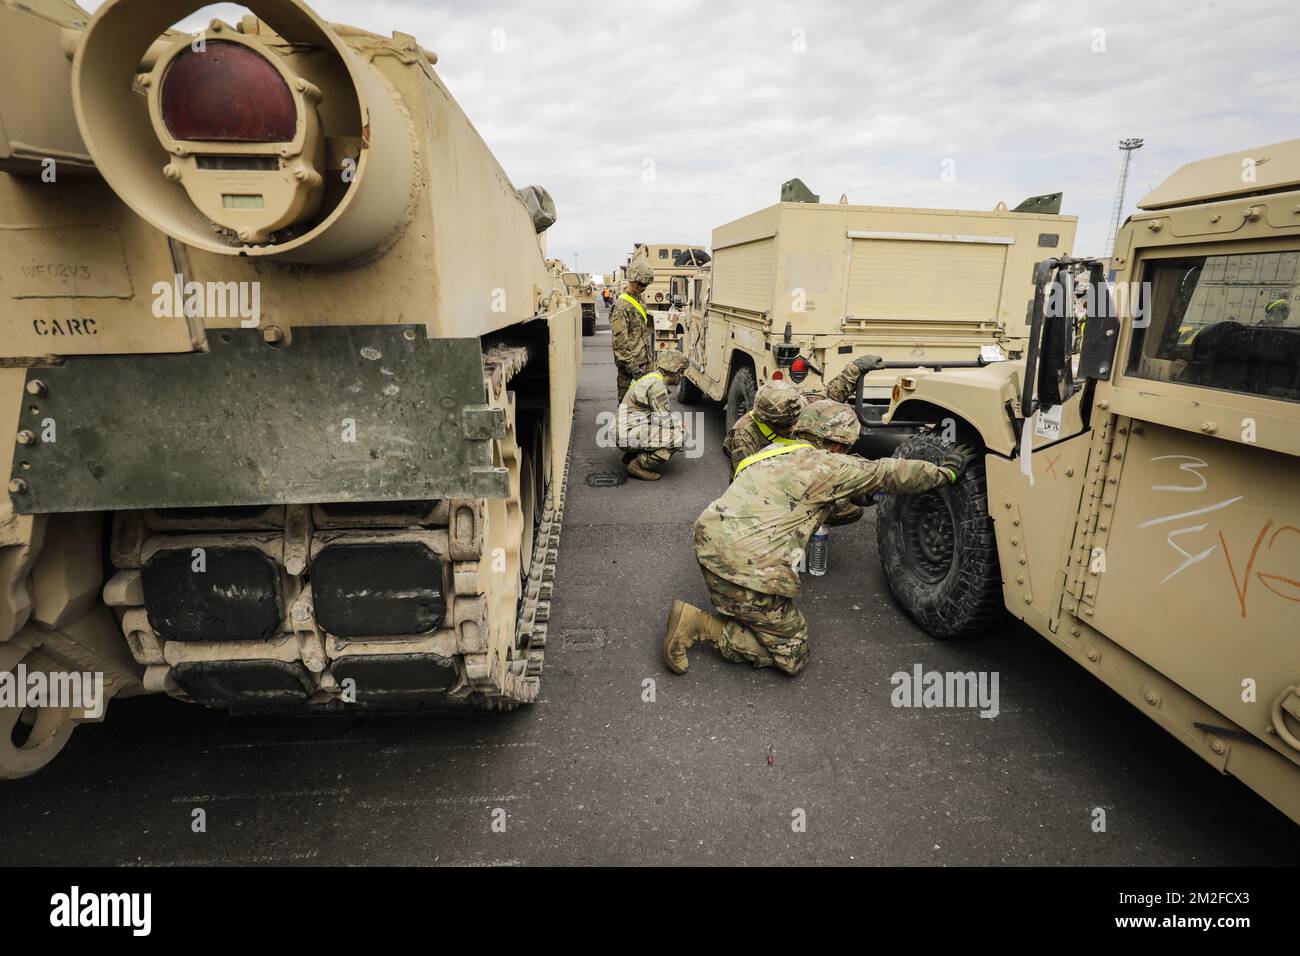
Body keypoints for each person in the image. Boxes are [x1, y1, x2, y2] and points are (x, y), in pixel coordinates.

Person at [663, 400, 974, 676]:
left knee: (760, 611)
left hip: (709, 544)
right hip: (743, 568)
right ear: (837, 445)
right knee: (793, 656)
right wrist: (943, 473)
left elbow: (800, 502)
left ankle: (745, 612)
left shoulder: (771, 452)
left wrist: (855, 498)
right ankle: (700, 625)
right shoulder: (829, 463)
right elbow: (888, 472)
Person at [618, 349, 688, 481]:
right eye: (681, 371)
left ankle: (631, 456)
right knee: (679, 436)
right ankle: (637, 465)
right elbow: (663, 420)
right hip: (627, 432)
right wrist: (679, 425)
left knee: (668, 425)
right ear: (673, 370)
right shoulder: (658, 386)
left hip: (627, 428)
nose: (682, 375)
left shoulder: (653, 377)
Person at [722, 379, 804, 471]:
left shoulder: (793, 407)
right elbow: (745, 479)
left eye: (794, 422)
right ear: (765, 420)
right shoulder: (743, 438)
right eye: (784, 426)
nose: (792, 429)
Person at [611, 260, 655, 401]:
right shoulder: (620, 307)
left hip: (645, 363)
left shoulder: (639, 299)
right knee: (626, 410)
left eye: (646, 285)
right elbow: (620, 345)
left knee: (647, 409)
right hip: (629, 370)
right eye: (642, 284)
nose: (644, 288)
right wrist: (635, 369)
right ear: (632, 280)